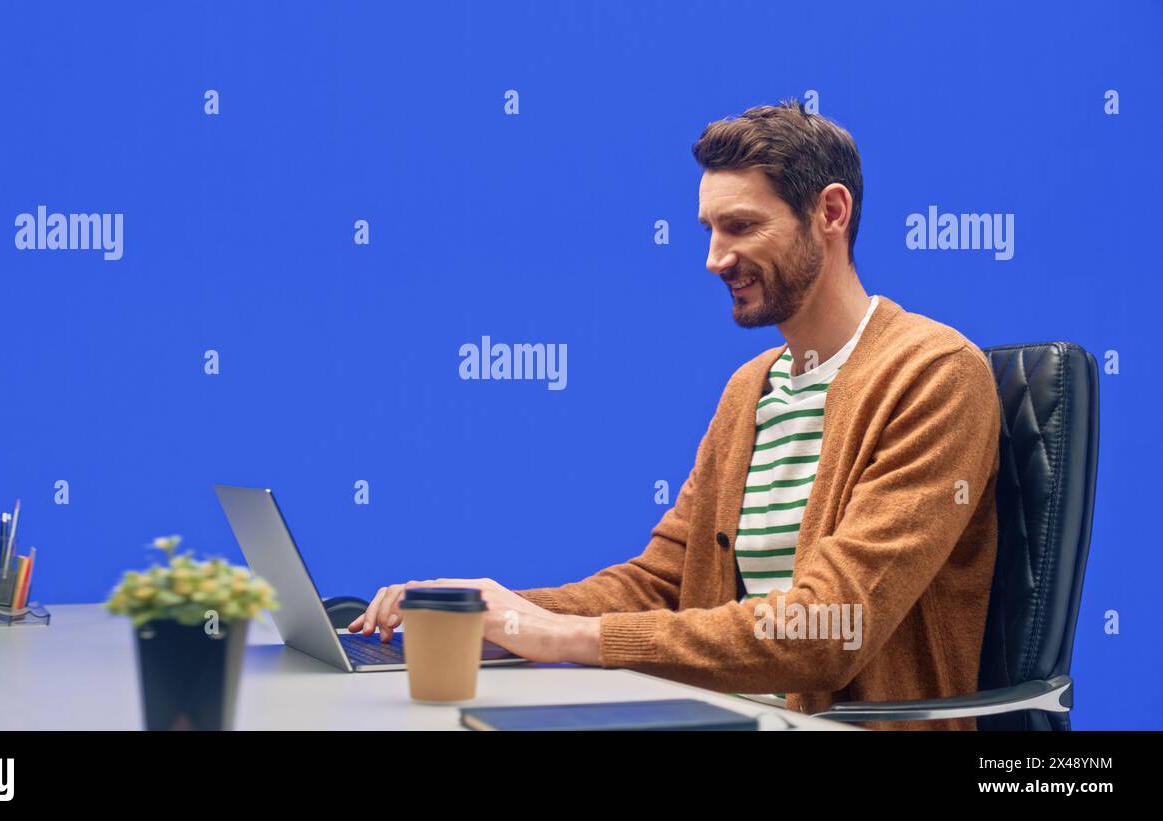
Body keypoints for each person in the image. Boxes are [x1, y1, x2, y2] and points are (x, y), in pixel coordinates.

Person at [349, 99, 1001, 730]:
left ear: (830, 212)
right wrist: (479, 610)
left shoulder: (933, 374)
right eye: (710, 230)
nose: (714, 258)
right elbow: (660, 583)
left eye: (741, 226)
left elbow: (834, 625)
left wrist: (564, 635)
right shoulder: (749, 389)